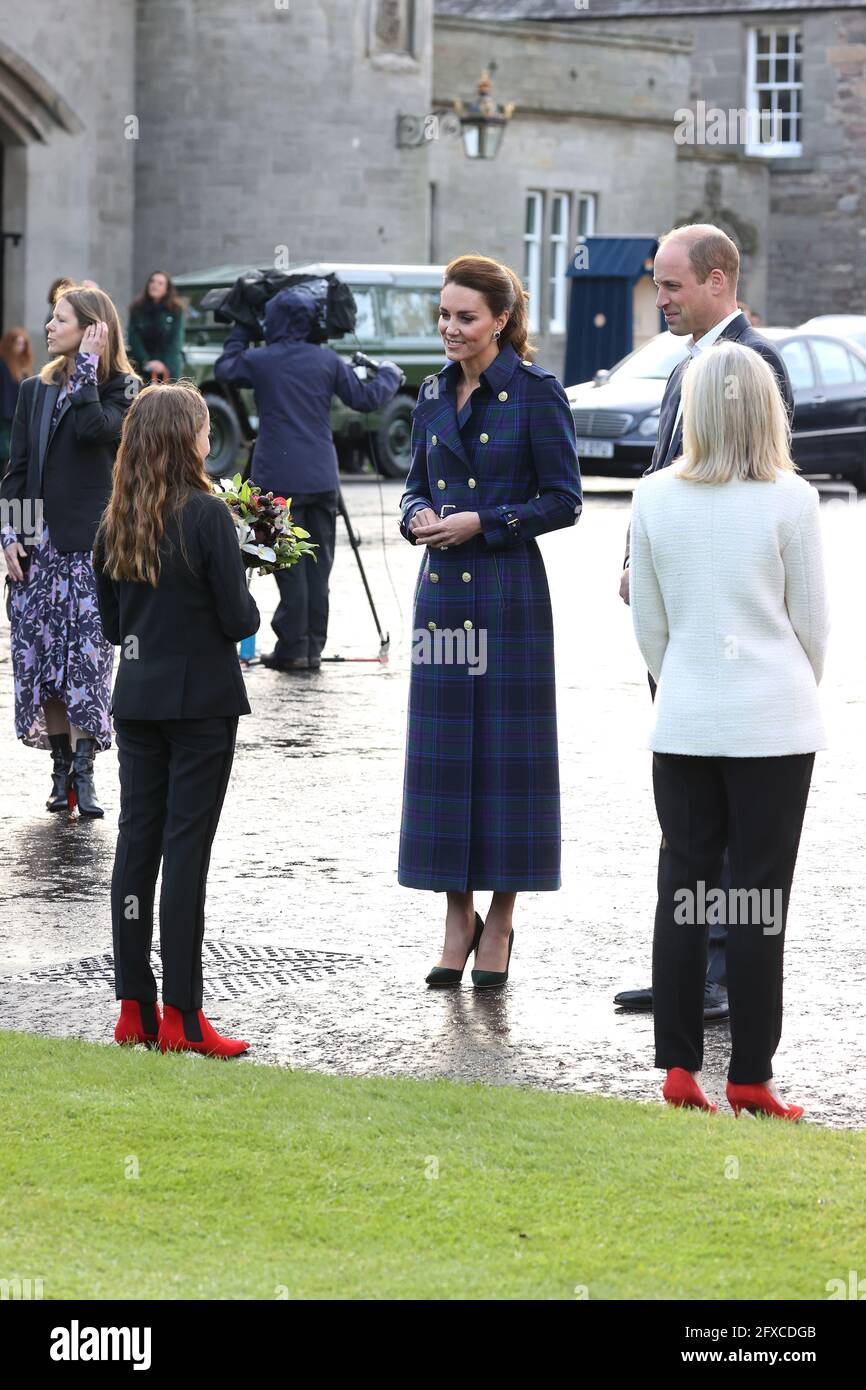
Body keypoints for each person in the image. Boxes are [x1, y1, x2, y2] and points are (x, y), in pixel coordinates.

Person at [629, 342, 828, 1119]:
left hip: (684, 717)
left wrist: (688, 681)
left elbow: (651, 627)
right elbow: (812, 627)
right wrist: (775, 683)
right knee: (758, 896)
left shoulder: (652, 497)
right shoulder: (792, 499)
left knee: (684, 883)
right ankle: (749, 1072)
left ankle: (679, 1066)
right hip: (771, 723)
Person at [616, 223, 794, 1021]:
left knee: (724, 820)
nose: (660, 298)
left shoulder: (753, 366)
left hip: (727, 641)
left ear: (719, 280)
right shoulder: (682, 367)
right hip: (679, 633)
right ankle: (686, 969)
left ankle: (718, 973)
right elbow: (664, 482)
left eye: (672, 285)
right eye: (657, 284)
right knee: (686, 818)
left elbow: (751, 500)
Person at [398, 254, 582, 988]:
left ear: (502, 320)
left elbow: (564, 500)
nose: (450, 328)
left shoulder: (538, 393)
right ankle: (455, 916)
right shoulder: (430, 392)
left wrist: (488, 520)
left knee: (509, 763)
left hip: (509, 596)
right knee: (444, 764)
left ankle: (501, 917)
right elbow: (414, 486)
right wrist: (418, 518)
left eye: (465, 317)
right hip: (441, 595)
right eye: (443, 315)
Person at [93, 382, 260, 1058]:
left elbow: (112, 626)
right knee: (185, 854)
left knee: (137, 846)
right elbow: (239, 620)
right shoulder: (208, 516)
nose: (207, 436)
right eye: (201, 426)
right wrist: (247, 571)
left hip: (137, 700)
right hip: (201, 707)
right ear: (186, 438)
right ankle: (185, 1019)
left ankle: (134, 1004)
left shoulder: (115, 520)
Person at [214, 284, 401, 670]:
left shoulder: (262, 360)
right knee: (320, 565)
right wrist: (389, 376)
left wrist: (243, 328)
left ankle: (293, 647)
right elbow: (366, 399)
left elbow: (225, 368)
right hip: (321, 479)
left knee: (287, 562)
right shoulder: (326, 361)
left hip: (278, 479)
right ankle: (312, 647)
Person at [1, 284, 136, 815]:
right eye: (51, 317)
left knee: (86, 663)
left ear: (92, 330)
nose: (48, 326)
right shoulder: (34, 390)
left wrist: (87, 370)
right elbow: (16, 472)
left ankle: (87, 771)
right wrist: (11, 536)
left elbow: (91, 431)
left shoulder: (123, 389)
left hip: (90, 551)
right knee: (45, 667)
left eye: (60, 320)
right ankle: (62, 771)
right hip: (38, 551)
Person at [127, 270, 185, 383]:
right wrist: (146, 361)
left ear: (167, 288)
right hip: (142, 368)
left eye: (160, 283)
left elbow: (176, 340)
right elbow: (134, 337)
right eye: (152, 281)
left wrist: (164, 364)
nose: (155, 285)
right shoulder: (137, 308)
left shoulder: (175, 309)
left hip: (168, 368)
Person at [0, 327, 33, 463]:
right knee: (6, 451)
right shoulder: (3, 366)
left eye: (23, 344)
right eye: (18, 343)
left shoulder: (23, 366)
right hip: (6, 415)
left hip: (19, 414)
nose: (21, 347)